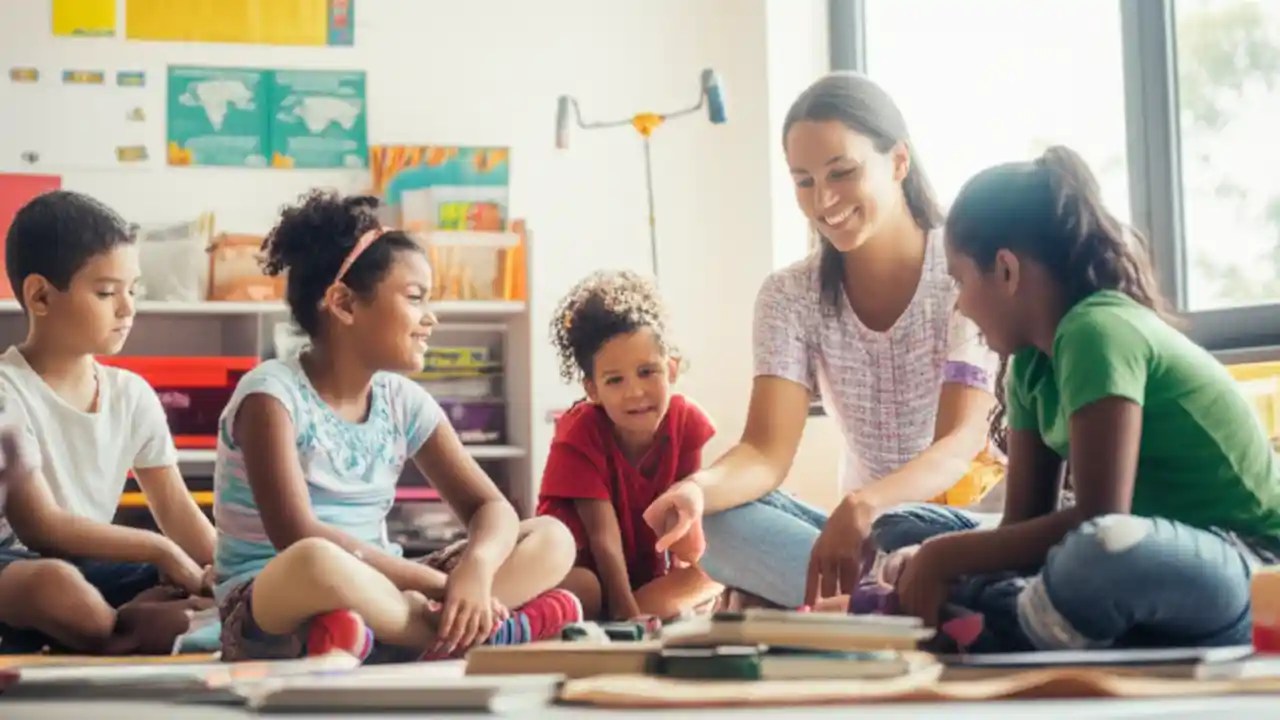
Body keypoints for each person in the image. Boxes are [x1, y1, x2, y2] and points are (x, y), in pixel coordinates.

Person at [880, 145, 1280, 651]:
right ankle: (1042, 615)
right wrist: (940, 550)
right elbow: (1023, 521)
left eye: (960, 280)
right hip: (1134, 548)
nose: (959, 303)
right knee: (900, 526)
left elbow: (1100, 518)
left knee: (1101, 553)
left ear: (1005, 270)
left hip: (1249, 564)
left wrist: (940, 560)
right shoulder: (1027, 365)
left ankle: (1010, 617)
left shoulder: (1097, 329)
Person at [643, 72, 1001, 609]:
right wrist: (696, 490)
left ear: (898, 162)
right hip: (866, 538)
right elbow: (765, 453)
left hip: (965, 521)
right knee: (719, 523)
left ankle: (858, 600)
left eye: (844, 172)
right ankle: (888, 601)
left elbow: (960, 444)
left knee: (955, 553)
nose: (824, 200)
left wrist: (865, 503)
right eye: (804, 181)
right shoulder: (789, 296)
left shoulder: (960, 268)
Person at [213, 190, 581, 662]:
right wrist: (443, 586)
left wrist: (477, 571)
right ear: (344, 304)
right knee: (317, 563)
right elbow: (297, 535)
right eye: (414, 298)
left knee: (552, 537)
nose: (431, 318)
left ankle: (404, 632)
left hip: (386, 586)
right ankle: (463, 631)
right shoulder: (270, 396)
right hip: (276, 593)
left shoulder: (401, 400)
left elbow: (491, 506)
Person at [0, 190, 215, 654]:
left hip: (92, 568)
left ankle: (119, 628)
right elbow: (41, 527)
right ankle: (125, 628)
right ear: (40, 295)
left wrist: (227, 569)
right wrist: (159, 549)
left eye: (132, 290)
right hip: (17, 570)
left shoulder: (131, 394)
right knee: (55, 585)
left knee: (198, 585)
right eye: (106, 292)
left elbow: (178, 512)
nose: (127, 308)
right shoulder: (5, 392)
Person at [537, 270, 722, 621]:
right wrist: (627, 616)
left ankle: (644, 608)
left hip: (642, 575)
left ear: (671, 369)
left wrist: (683, 574)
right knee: (586, 589)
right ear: (592, 390)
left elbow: (682, 518)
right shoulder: (581, 431)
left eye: (647, 372)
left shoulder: (687, 422)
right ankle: (597, 614)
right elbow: (602, 539)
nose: (635, 392)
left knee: (718, 570)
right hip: (584, 571)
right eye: (615, 380)